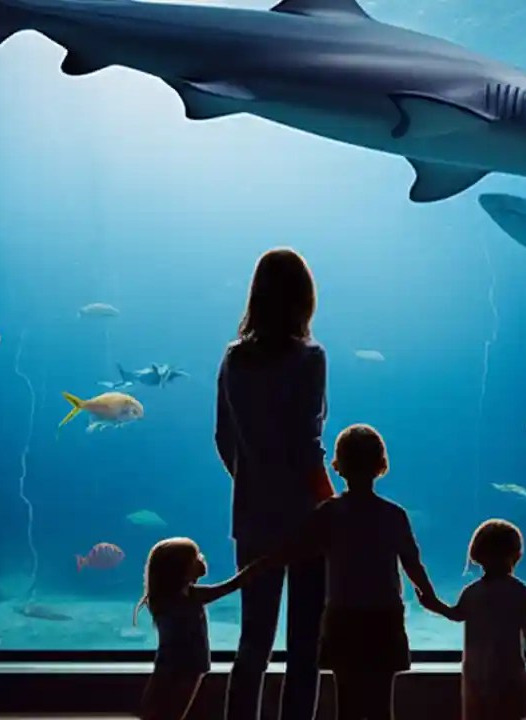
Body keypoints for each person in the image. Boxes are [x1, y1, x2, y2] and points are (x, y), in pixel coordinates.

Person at [216, 247, 334, 720]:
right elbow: (308, 444)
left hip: (252, 515)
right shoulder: (310, 357)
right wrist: (329, 505)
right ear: (305, 298)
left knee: (253, 641)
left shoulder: (234, 359)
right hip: (305, 518)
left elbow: (224, 438)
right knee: (305, 647)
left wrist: (254, 482)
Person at [257, 423, 439, 720]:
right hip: (385, 616)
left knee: (347, 704)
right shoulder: (394, 514)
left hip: (343, 616)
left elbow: (292, 552)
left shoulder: (328, 513)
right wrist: (431, 599)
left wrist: (252, 569)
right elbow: (412, 563)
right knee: (382, 704)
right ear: (382, 464)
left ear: (337, 465)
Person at [419, 519, 526, 720]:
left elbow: (456, 615)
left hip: (476, 673)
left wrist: (434, 604)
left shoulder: (472, 592)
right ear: (516, 555)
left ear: (477, 556)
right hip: (510, 672)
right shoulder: (521, 592)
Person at [135, 537, 254, 720]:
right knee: (170, 711)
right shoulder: (184, 598)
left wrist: (252, 570)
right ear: (179, 569)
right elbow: (228, 587)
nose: (201, 560)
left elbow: (229, 587)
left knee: (165, 710)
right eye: (195, 557)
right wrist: (253, 570)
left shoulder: (173, 596)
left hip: (179, 665)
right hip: (183, 666)